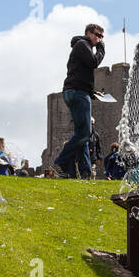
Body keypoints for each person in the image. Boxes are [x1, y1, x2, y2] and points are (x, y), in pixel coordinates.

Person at [53, 23, 105, 178]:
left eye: (102, 36)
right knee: (85, 133)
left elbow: (80, 73)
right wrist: (102, 49)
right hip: (77, 93)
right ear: (88, 33)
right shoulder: (82, 45)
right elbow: (93, 63)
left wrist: (91, 91)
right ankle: (60, 162)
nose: (100, 39)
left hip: (77, 91)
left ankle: (86, 172)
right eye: (97, 35)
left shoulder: (82, 46)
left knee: (81, 134)